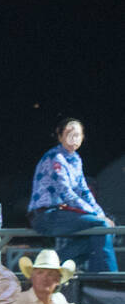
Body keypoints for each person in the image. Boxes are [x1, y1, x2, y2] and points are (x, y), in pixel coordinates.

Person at [28, 117, 118, 273]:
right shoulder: (55, 158)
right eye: (69, 133)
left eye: (77, 135)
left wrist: (101, 214)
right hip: (46, 214)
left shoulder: (75, 159)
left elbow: (84, 191)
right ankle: (106, 277)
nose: (73, 138)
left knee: (96, 236)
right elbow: (66, 193)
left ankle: (52, 265)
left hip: (61, 214)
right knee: (102, 227)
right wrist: (98, 217)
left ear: (82, 137)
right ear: (60, 135)